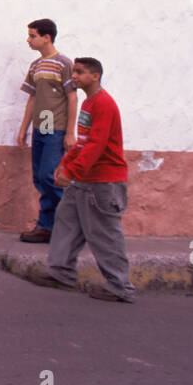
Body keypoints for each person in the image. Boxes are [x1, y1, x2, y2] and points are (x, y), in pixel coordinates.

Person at [38, 57, 135, 302]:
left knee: (104, 234)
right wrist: (66, 165)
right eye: (74, 72)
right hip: (84, 179)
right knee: (66, 221)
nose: (75, 77)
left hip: (103, 182)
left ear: (95, 76)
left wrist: (73, 170)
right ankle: (61, 272)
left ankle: (120, 286)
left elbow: (97, 144)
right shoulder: (88, 103)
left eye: (80, 73)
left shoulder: (104, 103)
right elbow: (82, 143)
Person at [15, 19, 77, 242]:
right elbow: (32, 99)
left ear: (46, 37)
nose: (29, 40)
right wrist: (24, 129)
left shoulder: (63, 63)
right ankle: (47, 227)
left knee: (49, 176)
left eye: (33, 36)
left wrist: (70, 132)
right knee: (39, 179)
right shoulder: (36, 66)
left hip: (56, 129)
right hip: (41, 128)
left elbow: (72, 97)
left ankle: (67, 226)